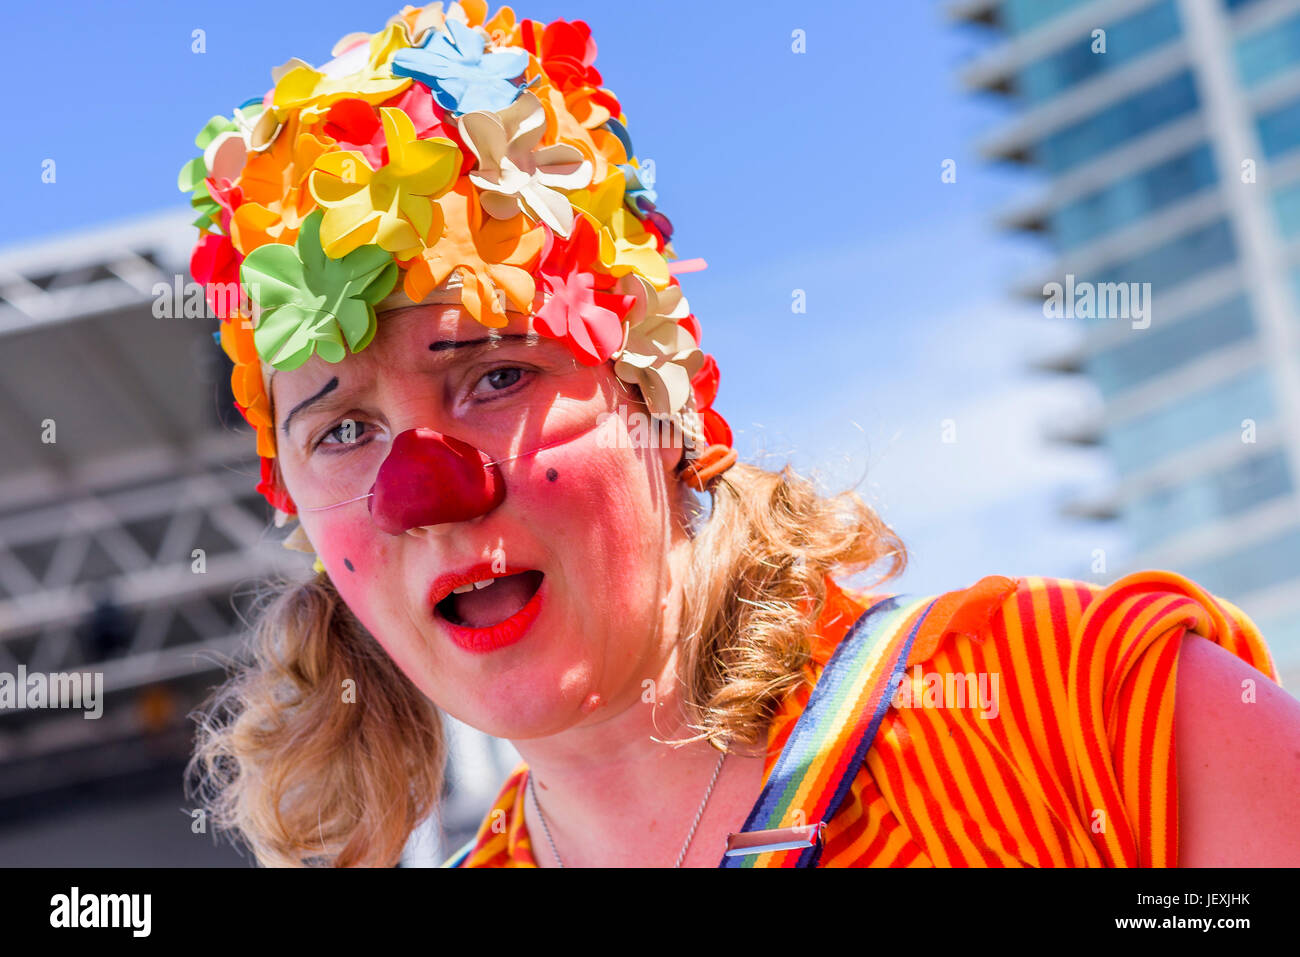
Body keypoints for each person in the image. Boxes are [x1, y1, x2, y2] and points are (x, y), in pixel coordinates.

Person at [182, 2, 1300, 868]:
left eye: (495, 373)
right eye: (342, 432)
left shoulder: (1088, 710)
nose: (422, 487)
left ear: (653, 402)